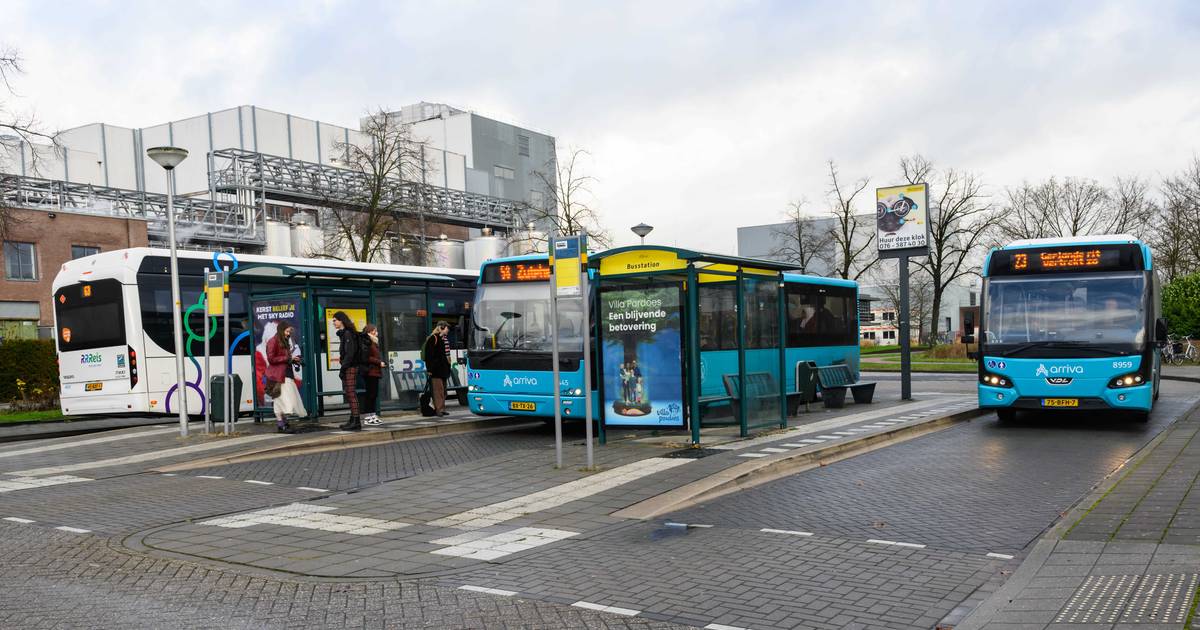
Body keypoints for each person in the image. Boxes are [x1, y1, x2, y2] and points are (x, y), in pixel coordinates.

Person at [265, 321, 305, 432]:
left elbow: (283, 357)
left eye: (289, 331)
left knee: (282, 399)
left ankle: (282, 423)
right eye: (286, 331)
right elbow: (271, 359)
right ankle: (281, 423)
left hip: (285, 374)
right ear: (281, 330)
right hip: (278, 375)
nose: (288, 333)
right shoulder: (273, 341)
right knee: (283, 399)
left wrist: (293, 359)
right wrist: (288, 359)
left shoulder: (284, 341)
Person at [332, 311, 363, 431]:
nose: (333, 323)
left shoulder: (348, 334)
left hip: (350, 367)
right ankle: (352, 419)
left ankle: (356, 421)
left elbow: (349, 354)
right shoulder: (345, 334)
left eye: (335, 320)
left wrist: (343, 368)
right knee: (349, 393)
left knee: (351, 393)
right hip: (348, 366)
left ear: (341, 320)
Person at [422, 320, 452, 416]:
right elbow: (429, 356)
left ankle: (442, 408)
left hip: (443, 369)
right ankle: (438, 410)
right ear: (442, 328)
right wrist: (430, 369)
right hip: (436, 370)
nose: (448, 331)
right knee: (438, 391)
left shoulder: (443, 339)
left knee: (443, 391)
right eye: (447, 328)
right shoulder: (433, 338)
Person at [361, 324, 387, 426]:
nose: (377, 333)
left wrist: (380, 362)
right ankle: (368, 417)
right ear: (370, 331)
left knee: (374, 394)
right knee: (370, 394)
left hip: (375, 371)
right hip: (370, 372)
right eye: (375, 331)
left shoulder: (373, 342)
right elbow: (367, 357)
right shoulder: (367, 342)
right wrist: (379, 362)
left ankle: (373, 415)